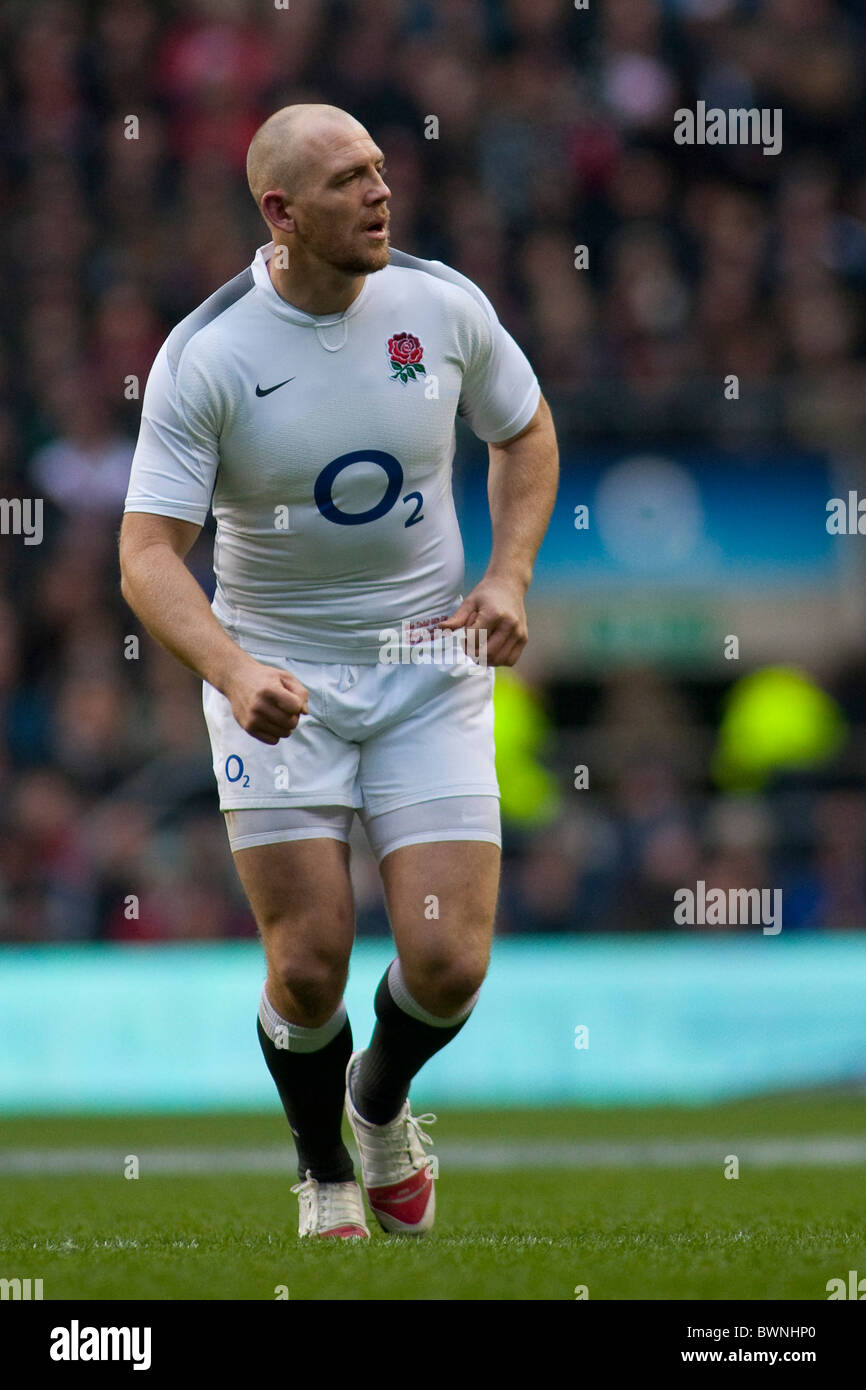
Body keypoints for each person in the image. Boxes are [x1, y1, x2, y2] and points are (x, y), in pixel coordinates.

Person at [119, 103, 559, 1239]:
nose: (380, 194)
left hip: (426, 662)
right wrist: (227, 665)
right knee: (310, 966)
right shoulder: (207, 354)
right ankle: (320, 1165)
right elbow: (145, 556)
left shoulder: (442, 303)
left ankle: (377, 1102)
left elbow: (524, 430)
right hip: (280, 682)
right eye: (349, 181)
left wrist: (507, 575)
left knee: (448, 960)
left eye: (380, 170)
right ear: (280, 213)